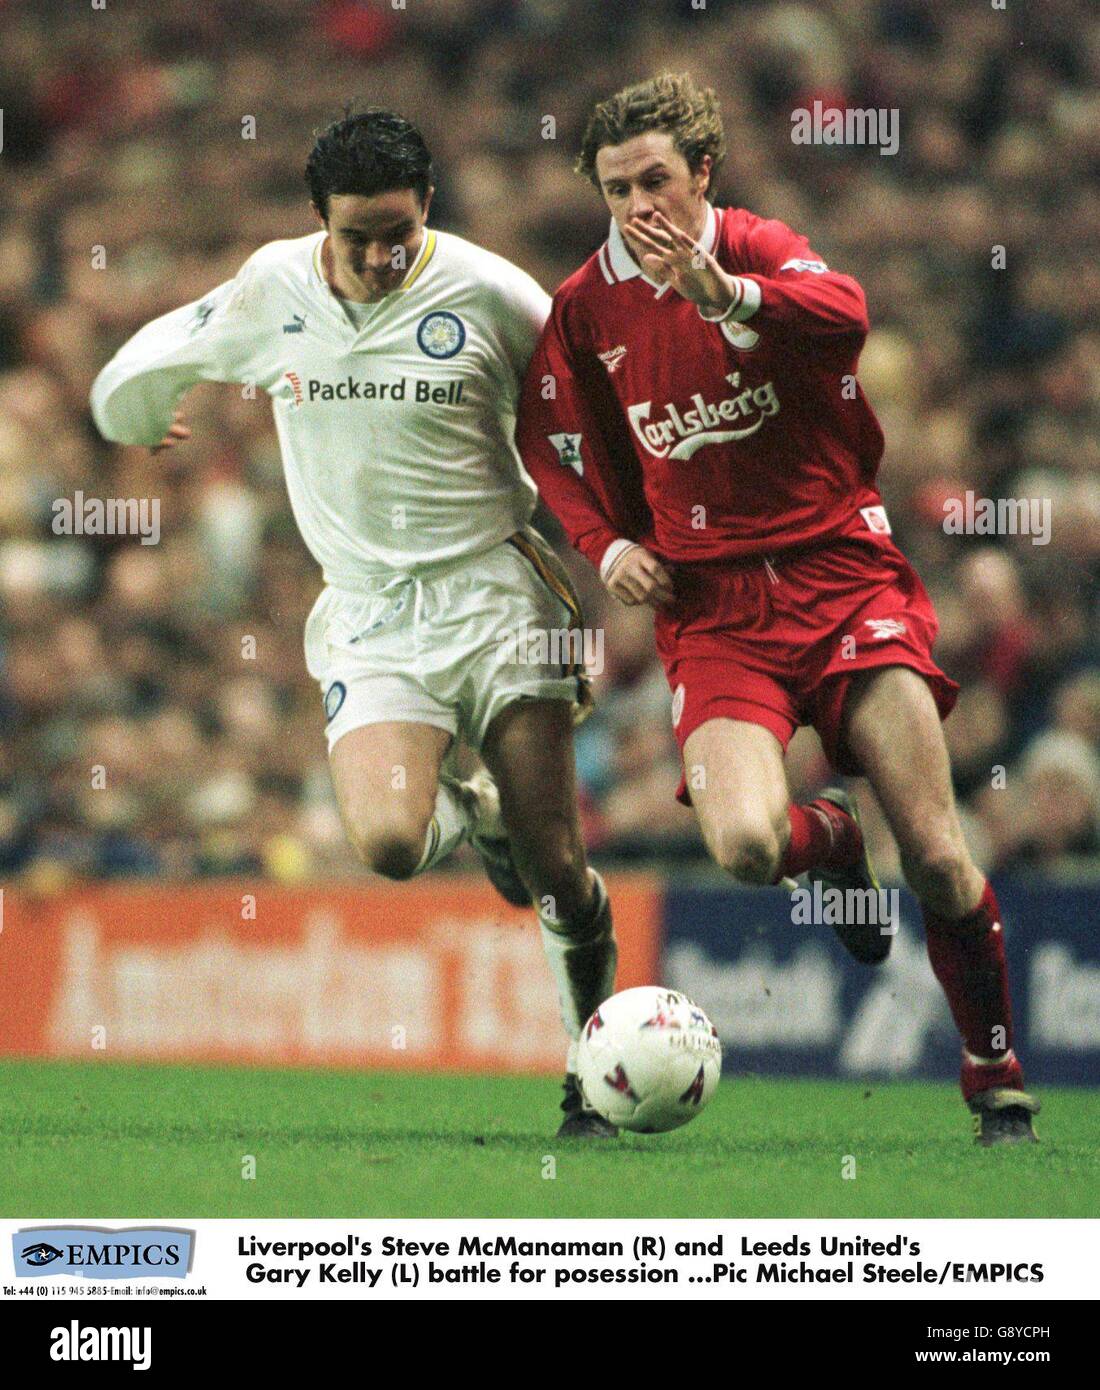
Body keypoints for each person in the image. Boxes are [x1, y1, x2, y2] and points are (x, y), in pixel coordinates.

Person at [516, 73, 1038, 1145]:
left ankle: (992, 1072)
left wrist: (731, 298)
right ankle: (831, 841)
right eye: (614, 188)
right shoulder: (583, 309)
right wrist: (607, 544)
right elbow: (552, 450)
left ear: (701, 172)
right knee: (748, 845)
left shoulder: (754, 248)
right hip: (712, 611)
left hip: (839, 576)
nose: (635, 205)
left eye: (654, 178)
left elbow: (843, 310)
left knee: (938, 856)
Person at [90, 108, 618, 1138]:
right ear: (316, 223)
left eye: (399, 234)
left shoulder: (495, 294)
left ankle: (591, 1070)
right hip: (370, 612)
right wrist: (139, 414)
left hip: (496, 589)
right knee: (385, 841)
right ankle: (474, 811)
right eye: (355, 238)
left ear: (426, 208)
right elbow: (140, 362)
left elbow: (594, 413)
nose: (380, 256)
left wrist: (632, 548)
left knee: (557, 862)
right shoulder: (272, 288)